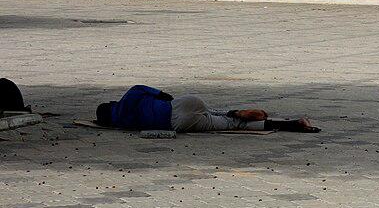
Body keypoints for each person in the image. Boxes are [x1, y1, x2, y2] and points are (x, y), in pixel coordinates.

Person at [94, 85, 319, 133]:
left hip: (178, 124)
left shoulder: (121, 124)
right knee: (218, 111)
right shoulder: (132, 93)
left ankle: (293, 125)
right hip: (181, 104)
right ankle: (235, 111)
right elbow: (165, 95)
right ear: (112, 103)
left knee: (232, 125)